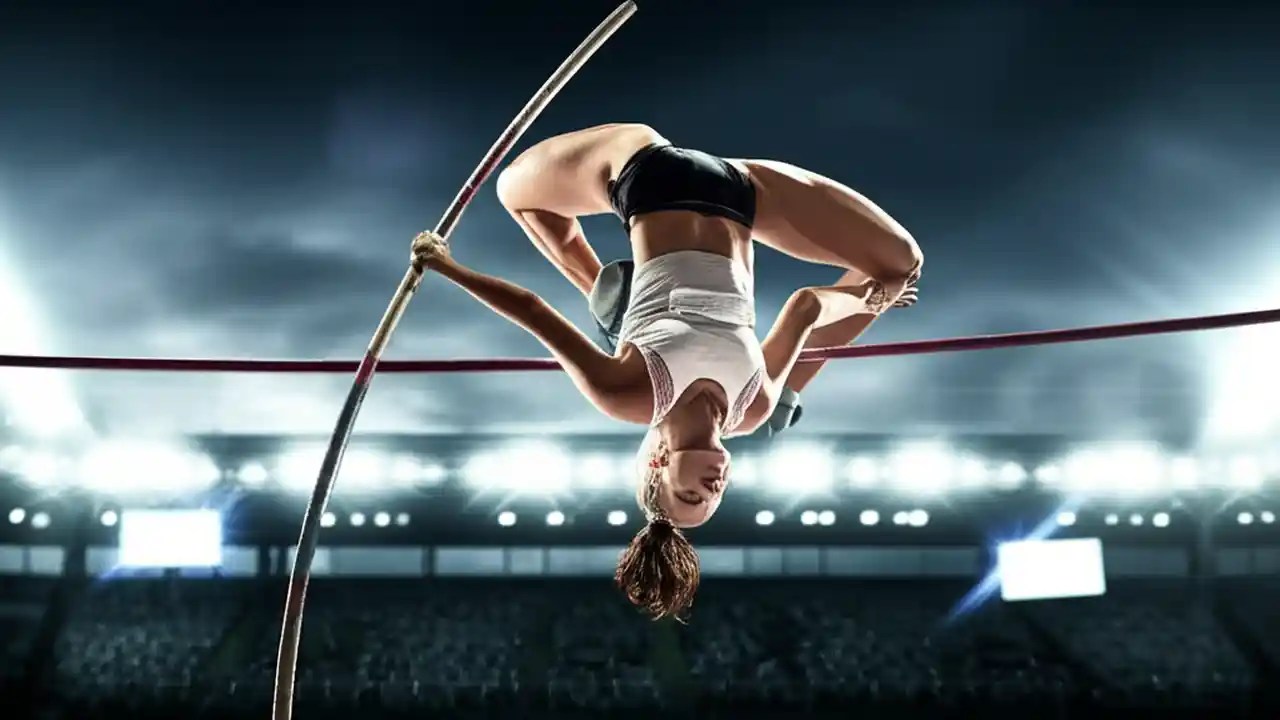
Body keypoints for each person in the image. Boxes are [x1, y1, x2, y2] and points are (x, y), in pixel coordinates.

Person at [411, 123, 921, 619]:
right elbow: (806, 307)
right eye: (715, 498)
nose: (714, 487)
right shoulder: (753, 409)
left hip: (644, 169)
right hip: (745, 192)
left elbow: (532, 309)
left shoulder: (629, 396)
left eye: (691, 494)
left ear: (657, 464)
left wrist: (447, 266)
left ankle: (604, 295)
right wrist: (868, 300)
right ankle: (617, 305)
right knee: (901, 264)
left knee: (514, 192)